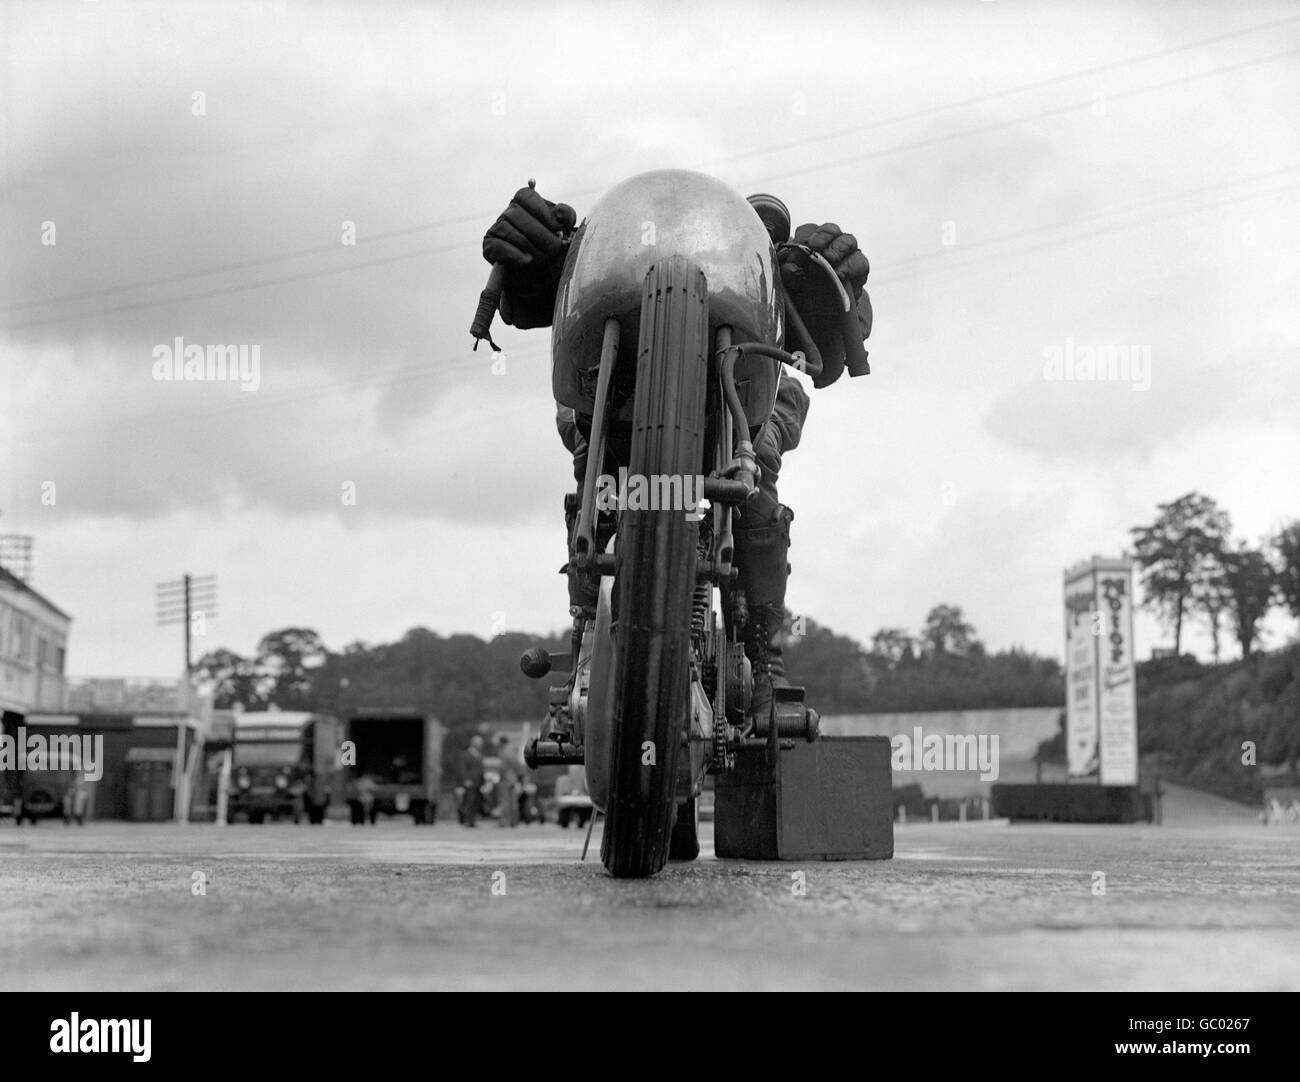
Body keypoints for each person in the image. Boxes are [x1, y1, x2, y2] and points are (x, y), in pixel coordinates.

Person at [482, 184, 872, 720]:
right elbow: (538, 307)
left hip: (741, 405)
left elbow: (837, 344)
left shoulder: (757, 284)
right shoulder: (628, 279)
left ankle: (763, 658)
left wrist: (834, 291)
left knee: (756, 469)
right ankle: (585, 633)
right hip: (622, 399)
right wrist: (549, 265)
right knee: (590, 463)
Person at [459, 735, 486, 827]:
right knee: (469, 802)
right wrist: (466, 780)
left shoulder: (479, 755)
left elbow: (481, 770)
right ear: (474, 744)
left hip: (478, 782)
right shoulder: (467, 755)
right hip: (470, 782)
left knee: (475, 802)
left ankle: (472, 821)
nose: (481, 745)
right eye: (480, 744)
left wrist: (483, 782)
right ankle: (467, 820)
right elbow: (463, 769)